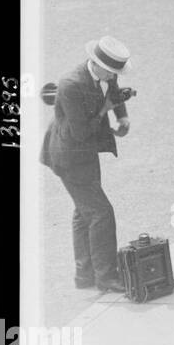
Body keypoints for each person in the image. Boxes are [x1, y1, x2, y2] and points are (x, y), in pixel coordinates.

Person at [40, 36, 134, 293]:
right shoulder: (70, 85)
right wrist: (105, 109)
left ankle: (84, 275)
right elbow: (80, 133)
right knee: (102, 213)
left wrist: (122, 117)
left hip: (84, 154)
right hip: (70, 156)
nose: (113, 77)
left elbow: (114, 93)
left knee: (85, 212)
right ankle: (106, 277)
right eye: (111, 72)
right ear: (96, 63)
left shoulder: (107, 73)